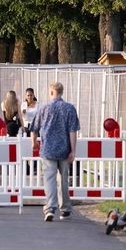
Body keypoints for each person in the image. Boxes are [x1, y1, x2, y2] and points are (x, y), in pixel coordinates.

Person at [30, 81, 80, 222]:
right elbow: (72, 131)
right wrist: (73, 151)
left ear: (51, 92)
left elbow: (34, 129)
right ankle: (64, 209)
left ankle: (50, 207)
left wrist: (34, 142)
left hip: (48, 149)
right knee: (63, 180)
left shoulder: (44, 108)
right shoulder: (69, 109)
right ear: (61, 92)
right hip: (64, 149)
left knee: (49, 179)